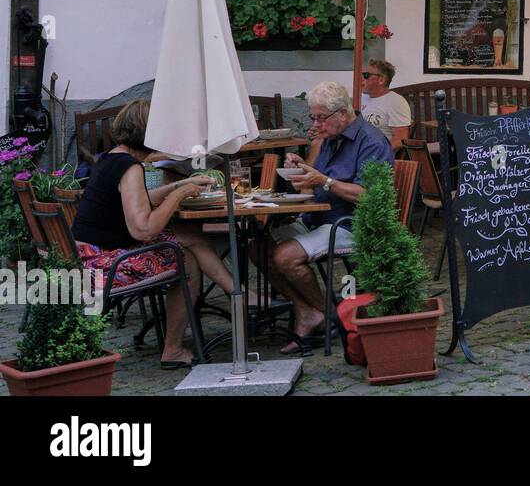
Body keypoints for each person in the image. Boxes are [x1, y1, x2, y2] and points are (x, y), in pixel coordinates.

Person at [71, 100, 252, 369]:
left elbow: (138, 199)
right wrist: (178, 195)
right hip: (105, 267)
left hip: (88, 256)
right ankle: (175, 348)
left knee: (188, 235)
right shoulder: (130, 168)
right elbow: (143, 229)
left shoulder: (112, 158)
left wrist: (181, 183)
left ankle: (238, 294)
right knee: (185, 260)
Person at [271, 81, 393, 354]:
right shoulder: (329, 137)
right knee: (257, 243)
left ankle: (331, 315)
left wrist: (324, 181)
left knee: (284, 256)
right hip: (319, 218)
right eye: (312, 117)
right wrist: (300, 168)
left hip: (350, 223)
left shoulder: (370, 141)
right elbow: (308, 185)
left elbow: (370, 196)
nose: (316, 123)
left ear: (341, 113)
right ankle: (308, 311)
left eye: (320, 117)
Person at [359, 59, 412, 154]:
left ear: (381, 80)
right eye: (362, 75)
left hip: (376, 156)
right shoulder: (360, 98)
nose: (361, 78)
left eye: (366, 75)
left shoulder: (396, 102)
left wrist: (377, 155)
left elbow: (400, 139)